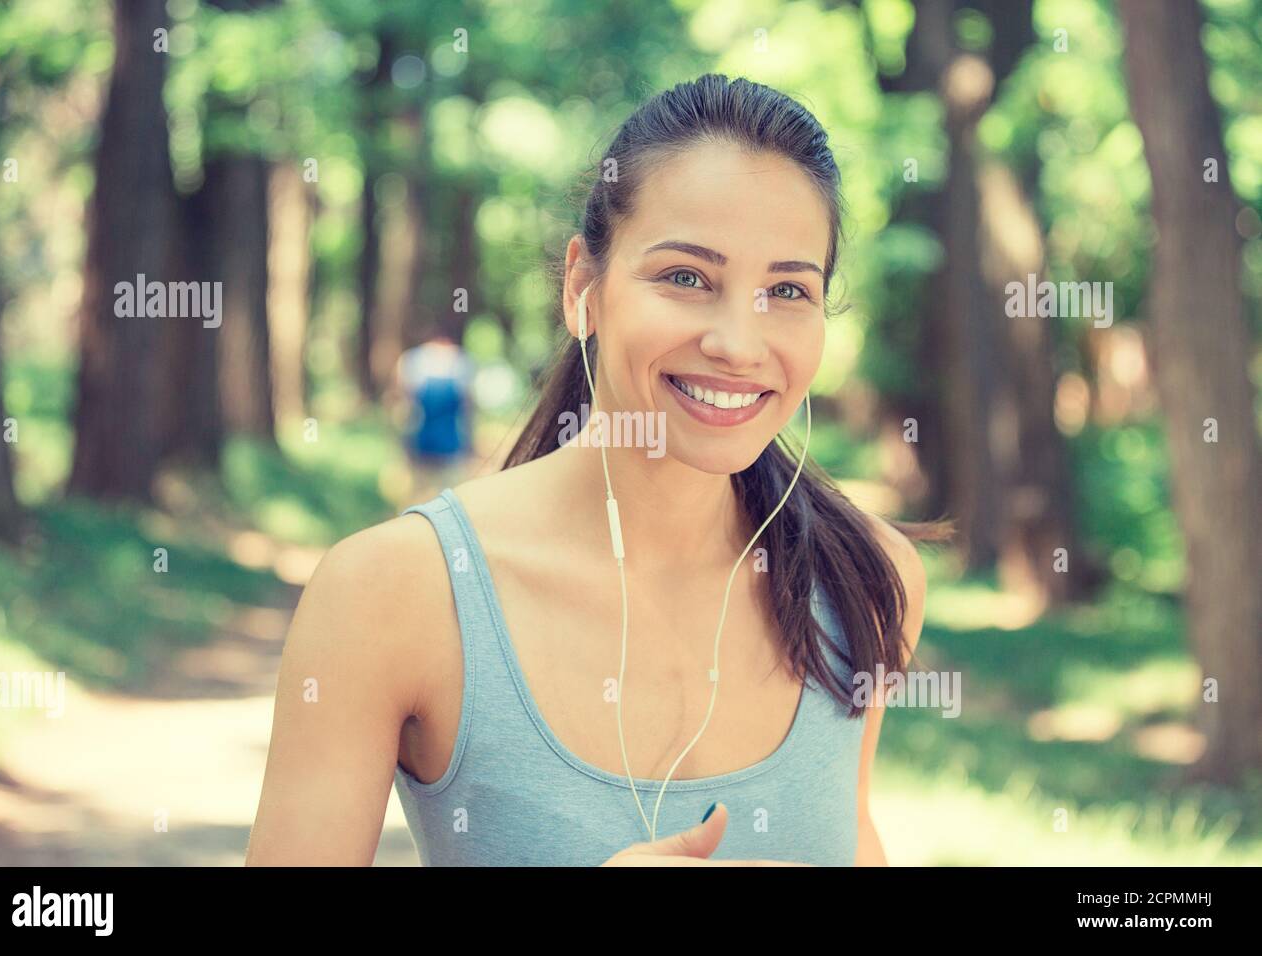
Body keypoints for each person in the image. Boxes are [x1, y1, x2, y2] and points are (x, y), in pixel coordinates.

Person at [247, 74, 946, 867]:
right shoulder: (391, 594)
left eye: (787, 290)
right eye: (687, 277)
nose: (739, 343)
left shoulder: (867, 577)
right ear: (584, 288)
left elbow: (854, 836)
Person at [394, 332, 475, 503]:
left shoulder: (413, 362)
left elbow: (405, 410)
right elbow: (468, 410)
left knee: (420, 497)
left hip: (435, 444)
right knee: (448, 499)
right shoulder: (461, 363)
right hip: (437, 444)